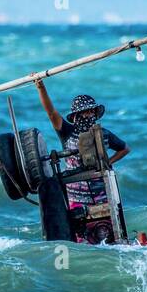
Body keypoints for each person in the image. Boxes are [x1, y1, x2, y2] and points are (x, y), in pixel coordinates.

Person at [35, 81, 129, 210]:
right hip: (76, 197)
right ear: (75, 116)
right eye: (85, 112)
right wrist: (41, 87)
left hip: (103, 194)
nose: (89, 115)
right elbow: (51, 113)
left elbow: (124, 149)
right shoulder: (67, 132)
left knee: (105, 227)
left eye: (92, 111)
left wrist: (108, 161)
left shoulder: (104, 133)